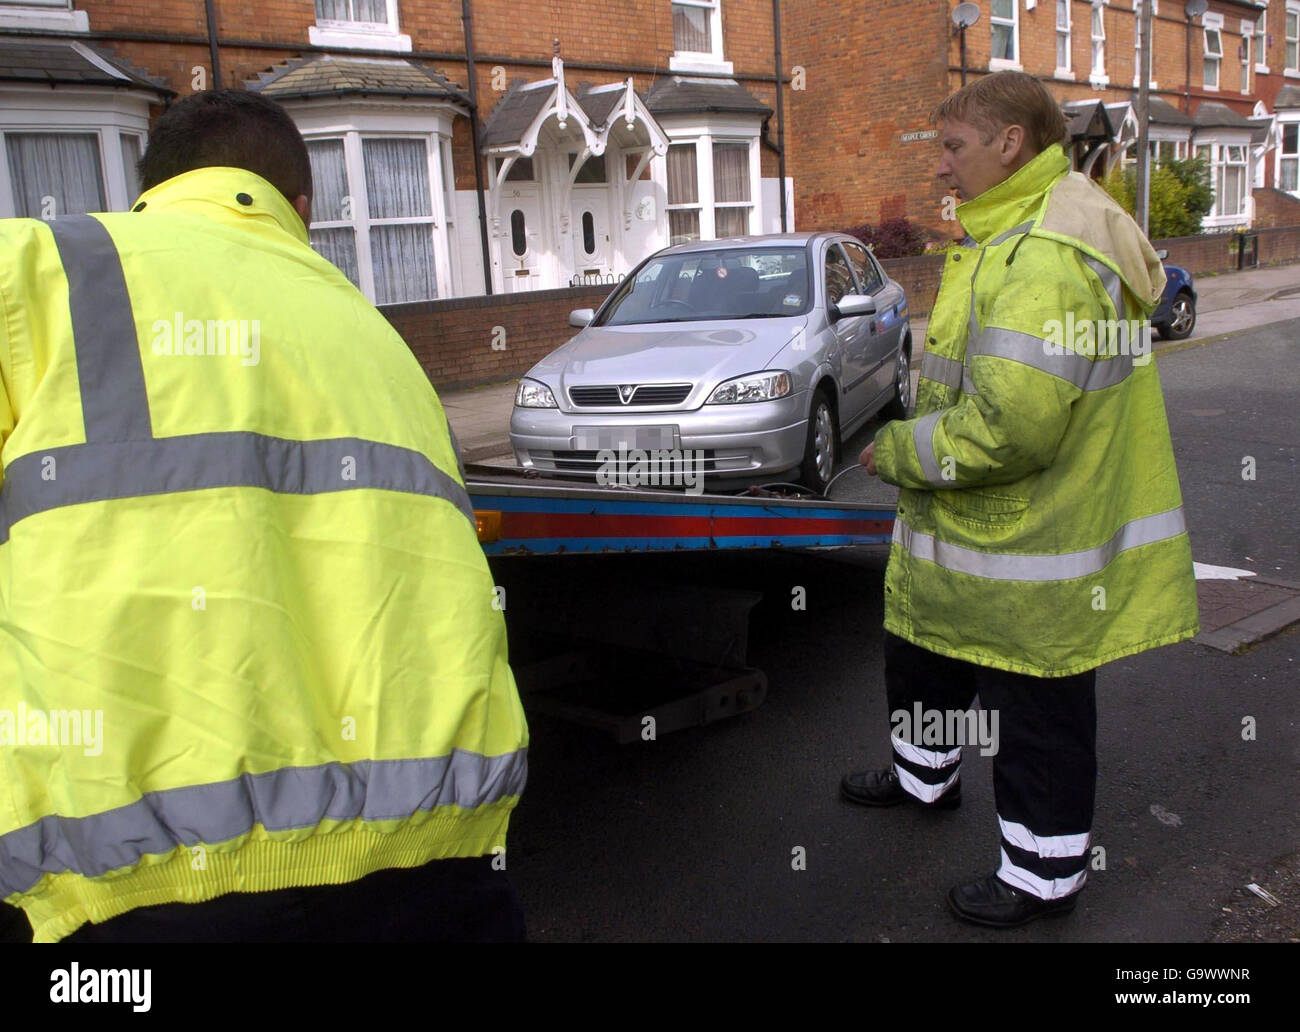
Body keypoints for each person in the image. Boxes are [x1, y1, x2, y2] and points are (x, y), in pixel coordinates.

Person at [0, 89, 528, 943]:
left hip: (139, 889)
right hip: (437, 863)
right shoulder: (373, 330)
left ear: (152, 183)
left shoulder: (37, 268)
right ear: (303, 208)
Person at [841, 72, 1198, 927]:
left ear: (1009, 143)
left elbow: (1011, 430)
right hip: (975, 539)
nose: (940, 169)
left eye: (953, 147)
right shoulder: (1016, 232)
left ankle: (1041, 878)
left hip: (1032, 546)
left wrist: (895, 450)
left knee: (1036, 706)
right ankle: (925, 777)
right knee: (927, 654)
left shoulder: (1045, 256)